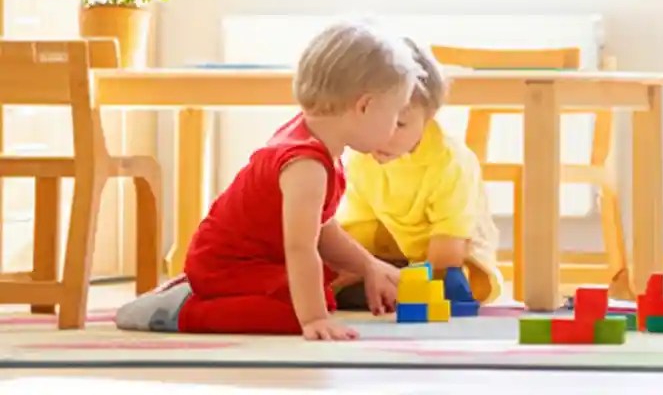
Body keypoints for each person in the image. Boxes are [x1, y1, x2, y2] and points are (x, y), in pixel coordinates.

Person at [114, 20, 422, 340]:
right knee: (295, 315)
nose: (393, 128)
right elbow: (301, 249)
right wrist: (314, 319)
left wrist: (369, 265)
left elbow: (321, 228)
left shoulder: (319, 142)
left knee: (320, 295)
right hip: (226, 266)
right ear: (364, 106)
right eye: (395, 116)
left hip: (252, 263)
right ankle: (180, 310)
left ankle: (195, 294)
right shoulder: (306, 165)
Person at [334, 38, 502, 307]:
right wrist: (360, 270)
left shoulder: (448, 162)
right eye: (372, 120)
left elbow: (450, 238)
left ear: (429, 115)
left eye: (399, 123)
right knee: (343, 280)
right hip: (398, 254)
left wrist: (420, 284)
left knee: (449, 285)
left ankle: (405, 291)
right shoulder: (361, 158)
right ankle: (389, 289)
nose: (383, 135)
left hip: (454, 256)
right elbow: (360, 227)